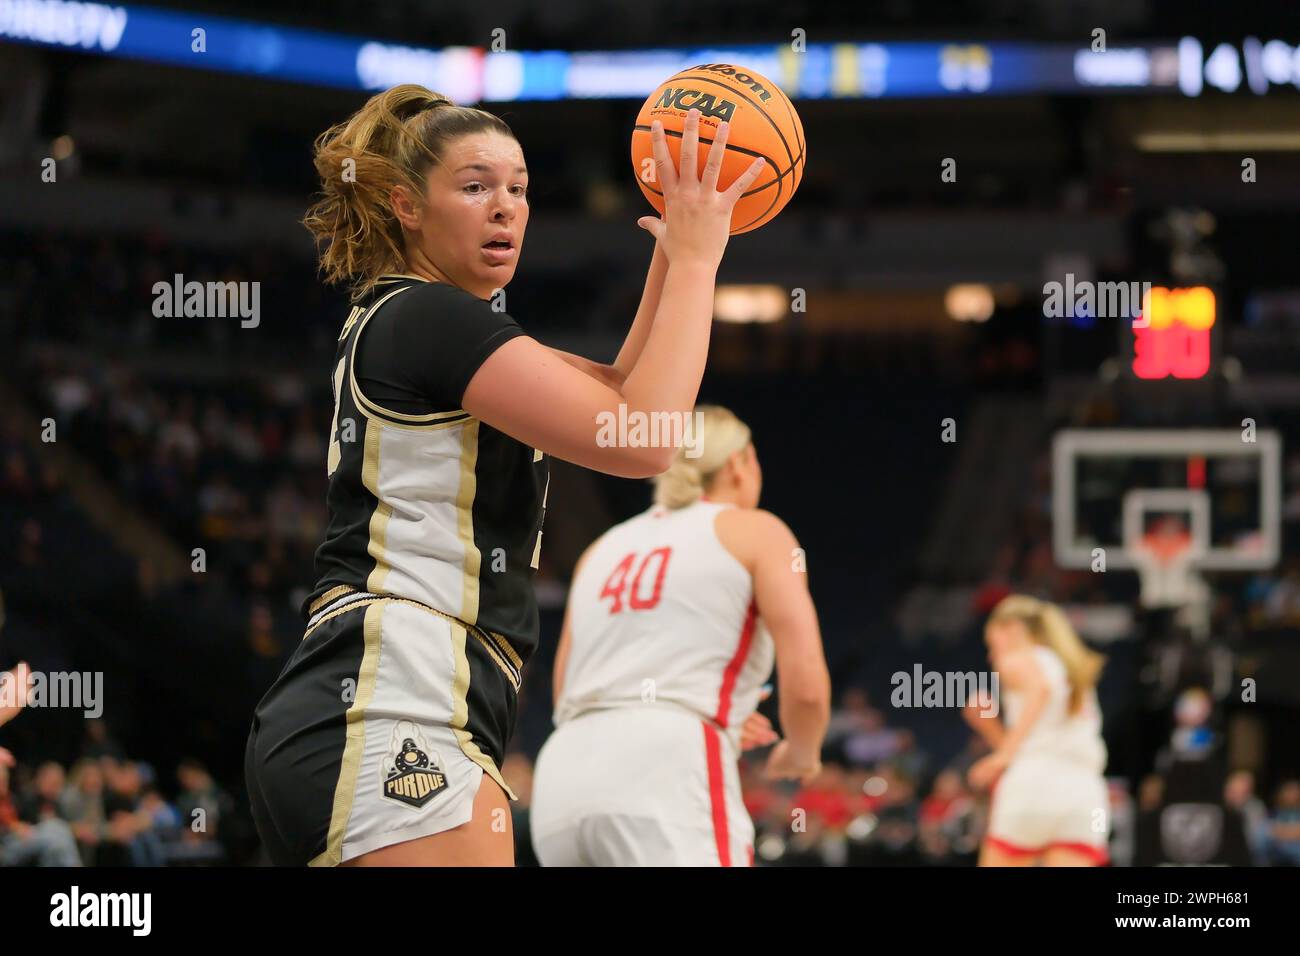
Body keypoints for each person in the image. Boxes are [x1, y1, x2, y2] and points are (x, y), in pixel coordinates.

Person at [245, 85, 767, 867]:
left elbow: (624, 391)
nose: (505, 208)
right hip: (392, 704)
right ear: (406, 207)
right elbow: (648, 439)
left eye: (519, 189)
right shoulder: (431, 318)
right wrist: (698, 260)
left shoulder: (431, 324)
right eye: (475, 185)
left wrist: (669, 243)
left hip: (405, 708)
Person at [530, 406, 831, 865]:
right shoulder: (759, 531)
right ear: (738, 463)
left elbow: (566, 687)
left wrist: (698, 705)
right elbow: (806, 685)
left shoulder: (603, 548)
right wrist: (801, 750)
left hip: (563, 778)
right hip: (665, 772)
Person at [964, 594, 1109, 866]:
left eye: (992, 643)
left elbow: (1039, 689)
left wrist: (1002, 755)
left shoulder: (1020, 657)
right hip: (1084, 794)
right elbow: (1042, 734)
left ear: (1012, 629)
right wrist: (991, 728)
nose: (991, 655)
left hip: (1032, 786)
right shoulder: (1072, 668)